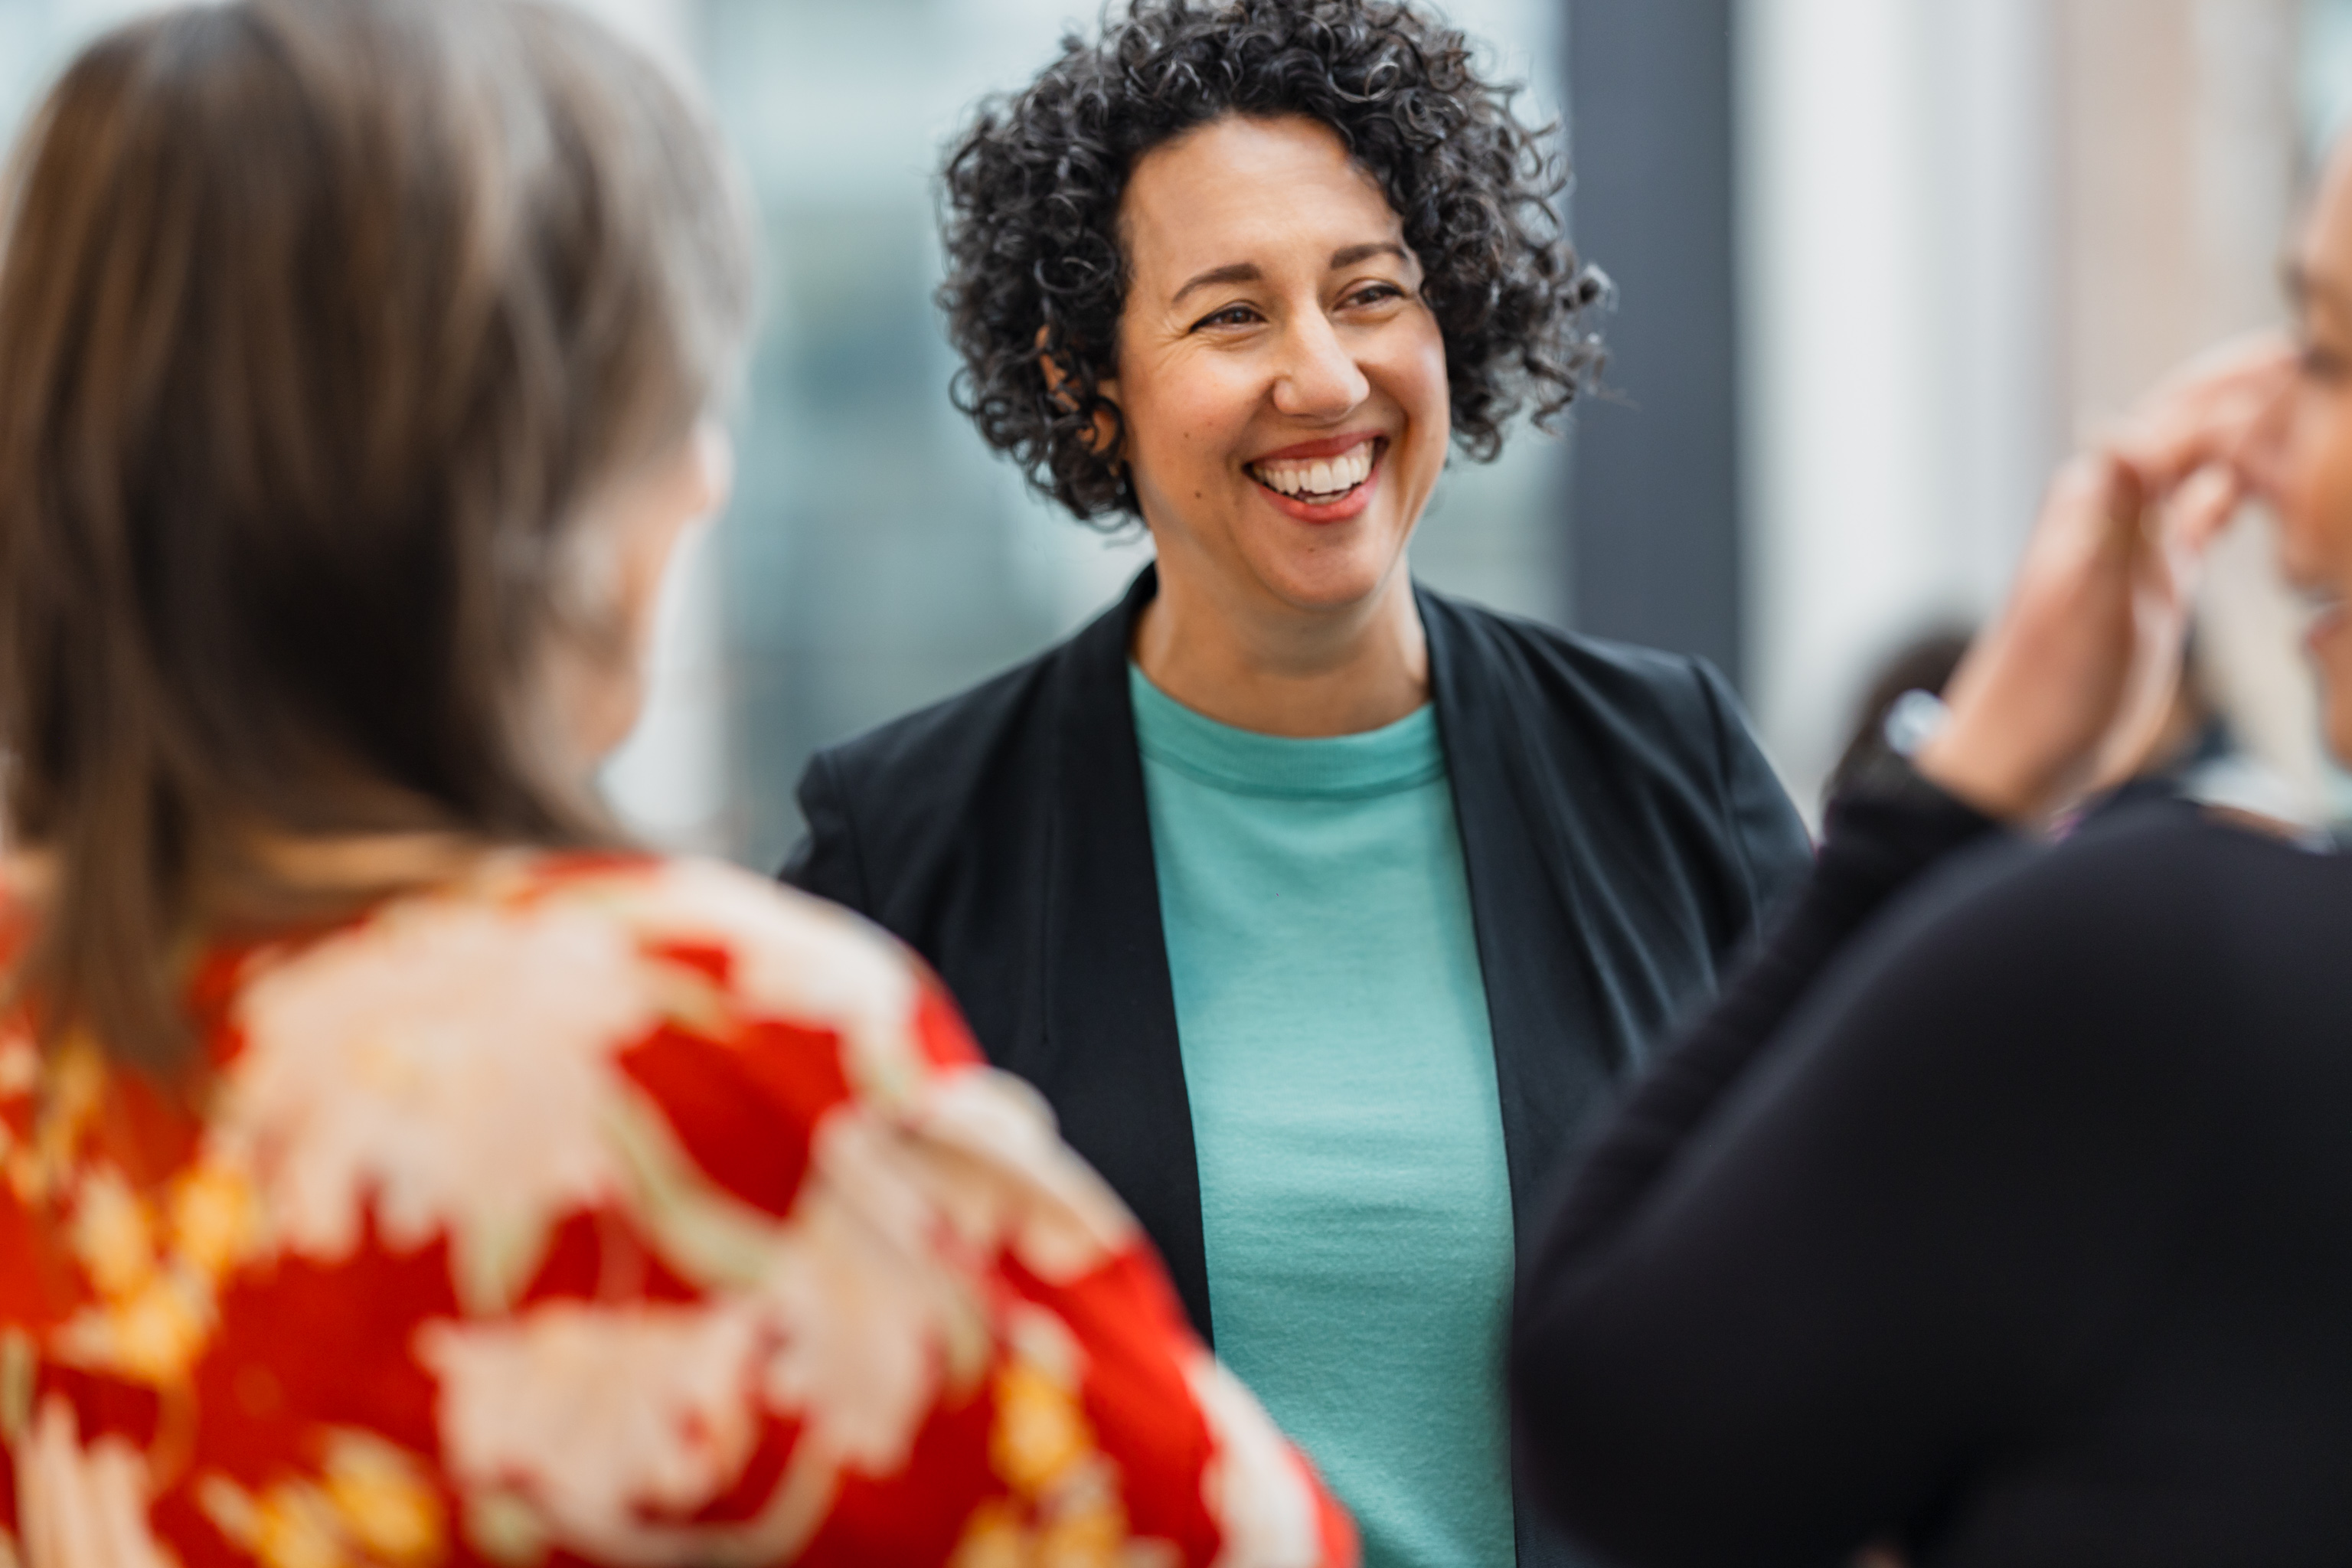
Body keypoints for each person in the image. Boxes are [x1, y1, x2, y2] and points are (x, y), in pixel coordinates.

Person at [0, 5, 1357, 1566]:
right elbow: (1235, 1540)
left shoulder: (33, 1009)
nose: (706, 475)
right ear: (525, 480)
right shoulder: (698, 1039)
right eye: (664, 403)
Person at [779, 2, 1811, 1563]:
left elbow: (1874, 1292)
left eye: (1371, 292)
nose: (1326, 378)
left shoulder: (1673, 774)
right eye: (1230, 316)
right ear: (1086, 383)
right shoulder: (903, 854)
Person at [1507, 124, 2352, 1568]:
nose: (2263, 442)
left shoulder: (2171, 971)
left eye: (2329, 359)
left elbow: (1609, 1404)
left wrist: (1958, 788)